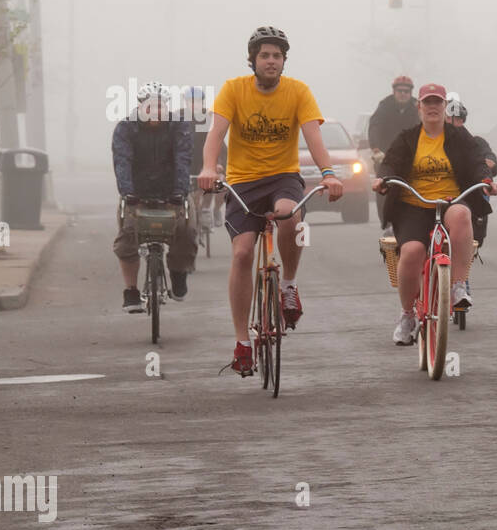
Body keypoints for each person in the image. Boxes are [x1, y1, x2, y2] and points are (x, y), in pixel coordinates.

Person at [195, 26, 344, 376]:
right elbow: (216, 133)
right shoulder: (233, 89)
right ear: (253, 60)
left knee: (289, 216)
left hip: (282, 178)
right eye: (265, 55)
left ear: (284, 61)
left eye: (277, 56)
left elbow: (313, 136)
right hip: (244, 182)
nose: (271, 61)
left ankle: (289, 286)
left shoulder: (298, 91)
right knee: (243, 252)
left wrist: (328, 173)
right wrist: (207, 168)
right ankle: (242, 342)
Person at [372, 83, 497, 346]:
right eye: (427, 102)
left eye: (437, 102)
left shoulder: (458, 137)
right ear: (419, 107)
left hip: (450, 202)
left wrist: (486, 179)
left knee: (463, 216)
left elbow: (477, 161)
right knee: (412, 251)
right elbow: (391, 163)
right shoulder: (407, 138)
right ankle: (407, 315)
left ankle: (458, 287)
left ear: (444, 107)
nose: (432, 107)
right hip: (413, 206)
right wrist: (383, 178)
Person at [112, 81, 197, 310]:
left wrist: (179, 192)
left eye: (160, 106)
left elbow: (183, 159)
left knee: (186, 230)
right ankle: (131, 290)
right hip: (136, 194)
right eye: (150, 106)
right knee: (127, 235)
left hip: (172, 192)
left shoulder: (179, 127)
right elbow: (122, 161)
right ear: (141, 107)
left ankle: (178, 274)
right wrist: (127, 192)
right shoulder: (125, 128)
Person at [444, 98, 497, 300]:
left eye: (458, 119)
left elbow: (488, 163)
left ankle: (460, 281)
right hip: (435, 199)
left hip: (467, 200)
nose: (454, 123)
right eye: (450, 118)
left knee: (470, 235)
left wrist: (487, 175)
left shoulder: (475, 143)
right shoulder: (429, 142)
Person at [367, 75, 418, 229]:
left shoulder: (417, 107)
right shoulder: (384, 106)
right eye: (400, 91)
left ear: (411, 93)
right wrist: (376, 149)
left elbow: (424, 127)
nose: (403, 94)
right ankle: (387, 223)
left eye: (406, 91)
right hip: (386, 156)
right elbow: (375, 127)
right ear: (394, 91)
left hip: (410, 156)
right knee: (383, 185)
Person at [185, 86, 226, 228]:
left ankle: (212, 210)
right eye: (190, 101)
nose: (193, 104)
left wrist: (218, 163)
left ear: (202, 102)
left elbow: (218, 141)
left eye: (197, 101)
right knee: (194, 195)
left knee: (219, 185)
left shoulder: (209, 118)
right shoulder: (178, 118)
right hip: (188, 160)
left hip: (208, 157)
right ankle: (194, 213)